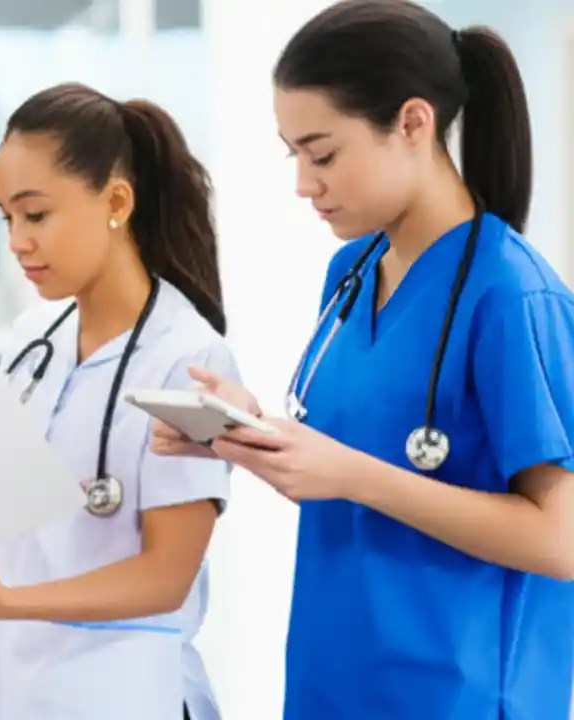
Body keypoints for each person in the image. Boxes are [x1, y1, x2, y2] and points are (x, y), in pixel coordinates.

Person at [152, 2, 574, 718]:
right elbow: (348, 467)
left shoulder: (510, 293)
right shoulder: (351, 274)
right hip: (334, 677)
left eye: (323, 154)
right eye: (293, 155)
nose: (303, 183)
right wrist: (252, 436)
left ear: (413, 123)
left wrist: (352, 474)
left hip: (456, 695)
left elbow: (558, 538)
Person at [0, 82, 238, 719]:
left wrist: (5, 602)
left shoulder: (187, 358)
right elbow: (11, 515)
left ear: (116, 201)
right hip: (21, 691)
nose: (17, 241)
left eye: (36, 215)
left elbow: (166, 576)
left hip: (131, 697)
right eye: (7, 218)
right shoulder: (32, 341)